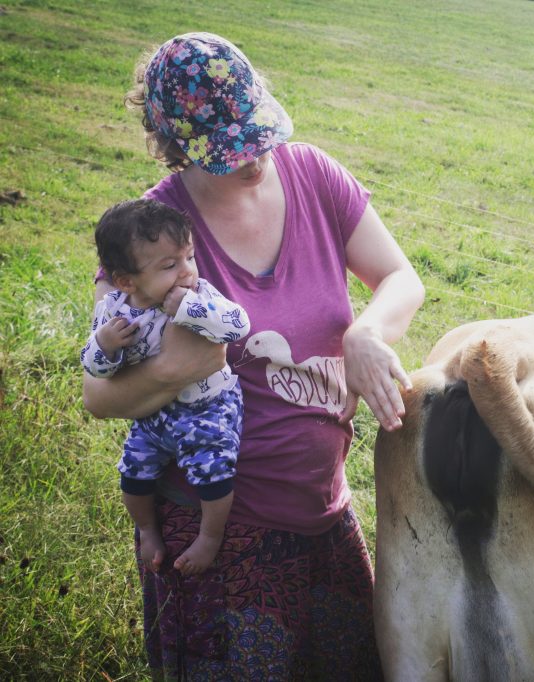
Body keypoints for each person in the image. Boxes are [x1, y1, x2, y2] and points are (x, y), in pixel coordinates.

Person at [82, 31, 424, 679]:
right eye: (229, 146)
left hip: (323, 514)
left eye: (258, 130)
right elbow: (97, 397)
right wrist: (175, 369)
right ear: (178, 145)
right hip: (214, 532)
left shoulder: (314, 174)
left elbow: (402, 279)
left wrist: (366, 332)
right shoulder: (149, 238)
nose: (255, 154)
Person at [81, 199, 249, 577]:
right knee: (133, 474)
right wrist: (105, 345)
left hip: (210, 405)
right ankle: (147, 529)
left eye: (189, 257)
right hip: (153, 413)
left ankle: (210, 535)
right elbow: (94, 368)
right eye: (170, 265)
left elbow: (238, 325)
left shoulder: (199, 294)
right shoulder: (114, 310)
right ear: (126, 280)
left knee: (214, 470)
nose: (186, 271)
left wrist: (188, 309)